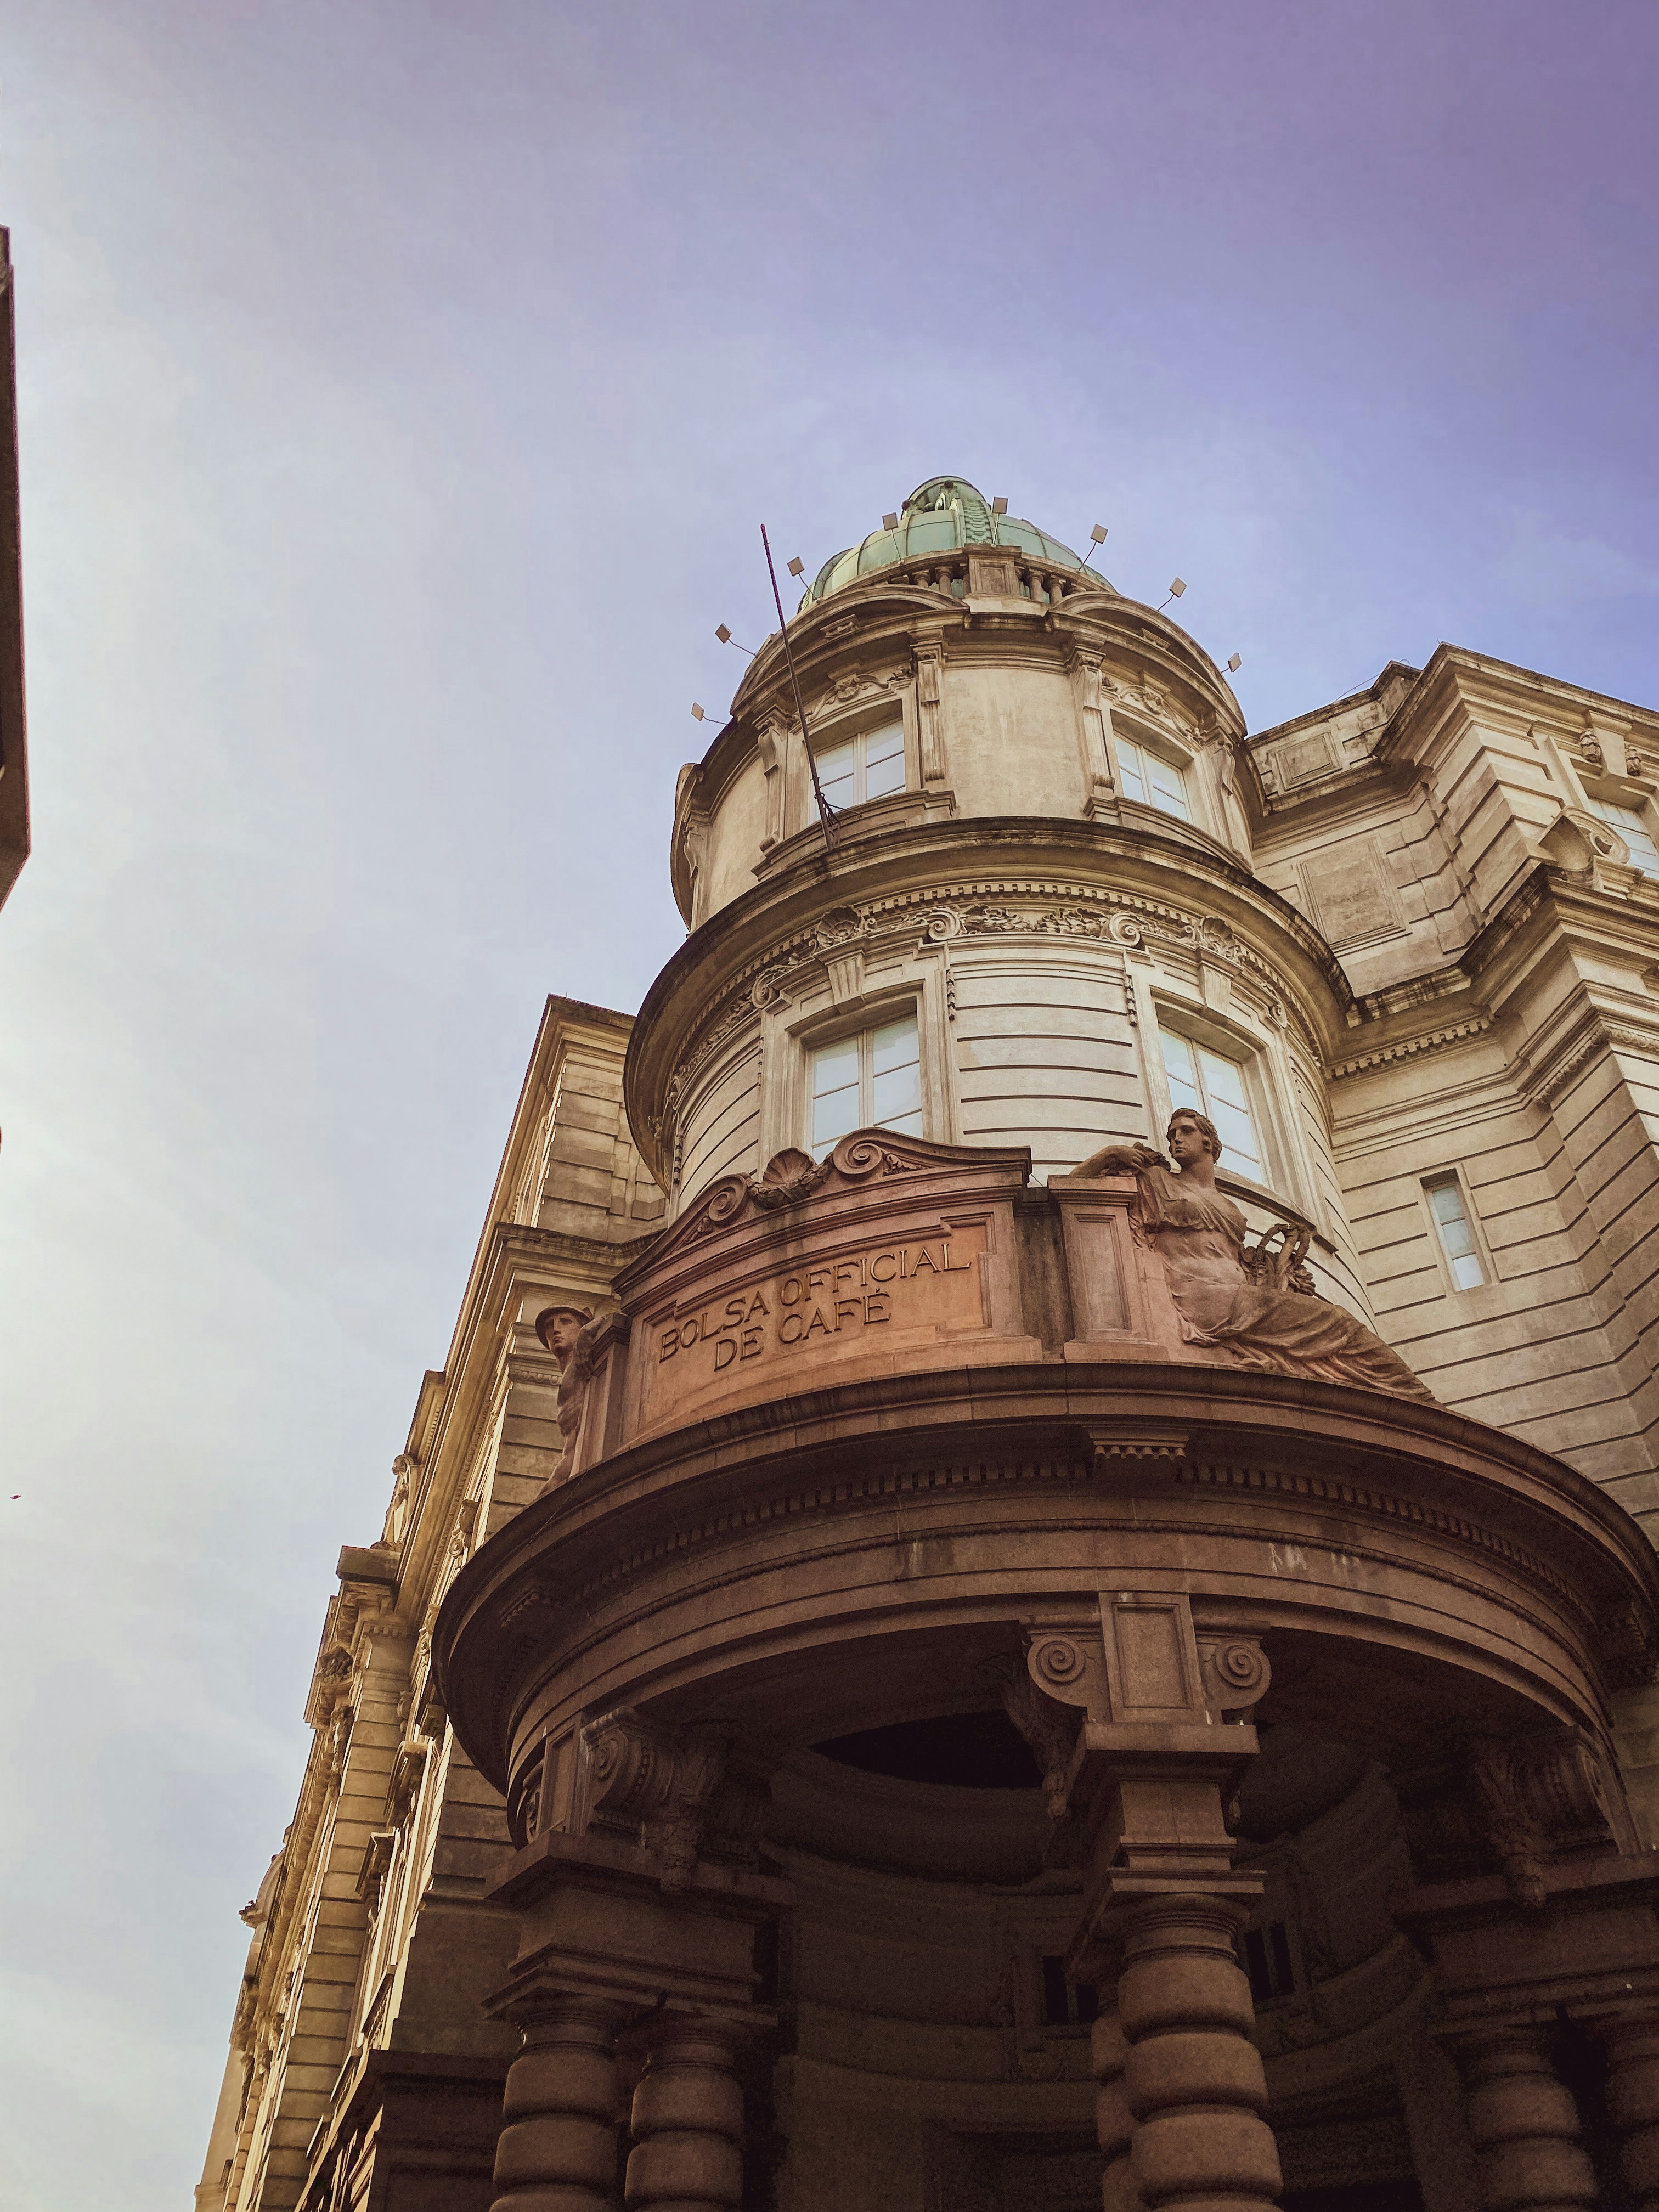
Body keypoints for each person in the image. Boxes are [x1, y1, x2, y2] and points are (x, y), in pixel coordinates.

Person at [1067, 1111, 1436, 1403]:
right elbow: (1074, 1188)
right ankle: (1415, 1398)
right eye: (1171, 1134)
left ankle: (1403, 1397)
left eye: (1185, 1131)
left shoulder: (1229, 1208)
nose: (1175, 1138)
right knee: (1337, 1322)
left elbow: (1238, 1264)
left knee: (1334, 1332)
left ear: (1209, 1142)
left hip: (1239, 1296)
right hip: (1202, 1300)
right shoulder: (1158, 1181)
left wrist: (1280, 1275)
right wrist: (1111, 1155)